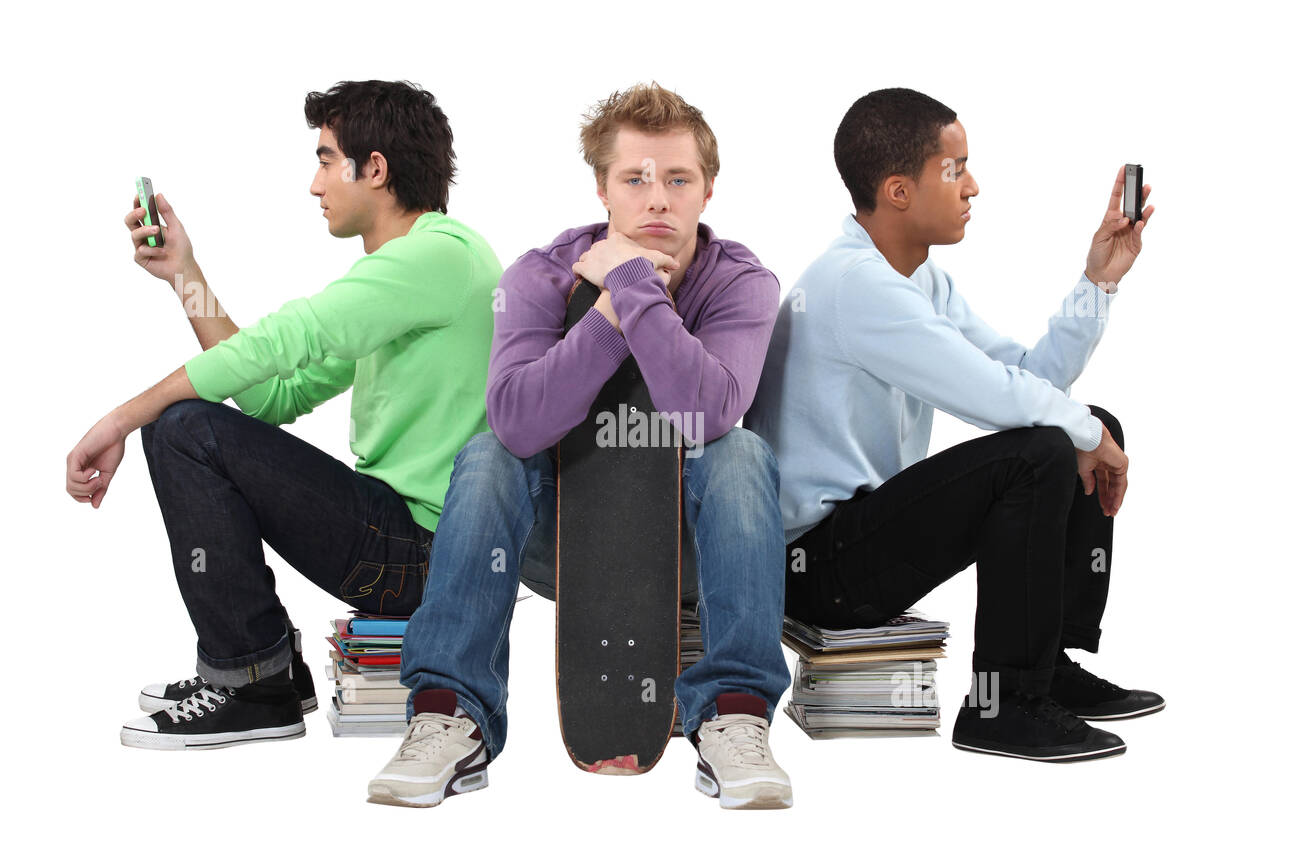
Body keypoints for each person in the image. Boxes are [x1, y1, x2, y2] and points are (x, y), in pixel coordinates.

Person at [367, 82, 793, 810]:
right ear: (602, 188)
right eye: (635, 179)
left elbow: (707, 413)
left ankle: (734, 720)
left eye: (677, 179)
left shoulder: (741, 283)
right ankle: (450, 714)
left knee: (742, 453)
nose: (657, 199)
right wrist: (604, 316)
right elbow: (517, 422)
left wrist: (633, 287)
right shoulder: (538, 274)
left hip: (688, 548)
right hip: (559, 545)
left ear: (708, 189)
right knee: (485, 456)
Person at [65, 79, 501, 750]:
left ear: (375, 169)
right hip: (400, 537)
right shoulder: (404, 276)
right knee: (188, 423)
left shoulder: (439, 255)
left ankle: (251, 680)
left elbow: (286, 336)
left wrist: (120, 418)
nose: (315, 184)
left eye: (327, 160)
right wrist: (185, 272)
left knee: (180, 426)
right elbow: (273, 396)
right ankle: (263, 668)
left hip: (425, 552)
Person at [746, 87, 1164, 763]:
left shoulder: (918, 279)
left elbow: (1028, 378)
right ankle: (1002, 706)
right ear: (898, 190)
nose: (973, 185)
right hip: (817, 567)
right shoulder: (855, 284)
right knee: (1047, 449)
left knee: (1079, 428)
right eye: (955, 168)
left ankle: (1046, 670)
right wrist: (1085, 436)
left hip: (864, 537)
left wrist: (1099, 283)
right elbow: (999, 398)